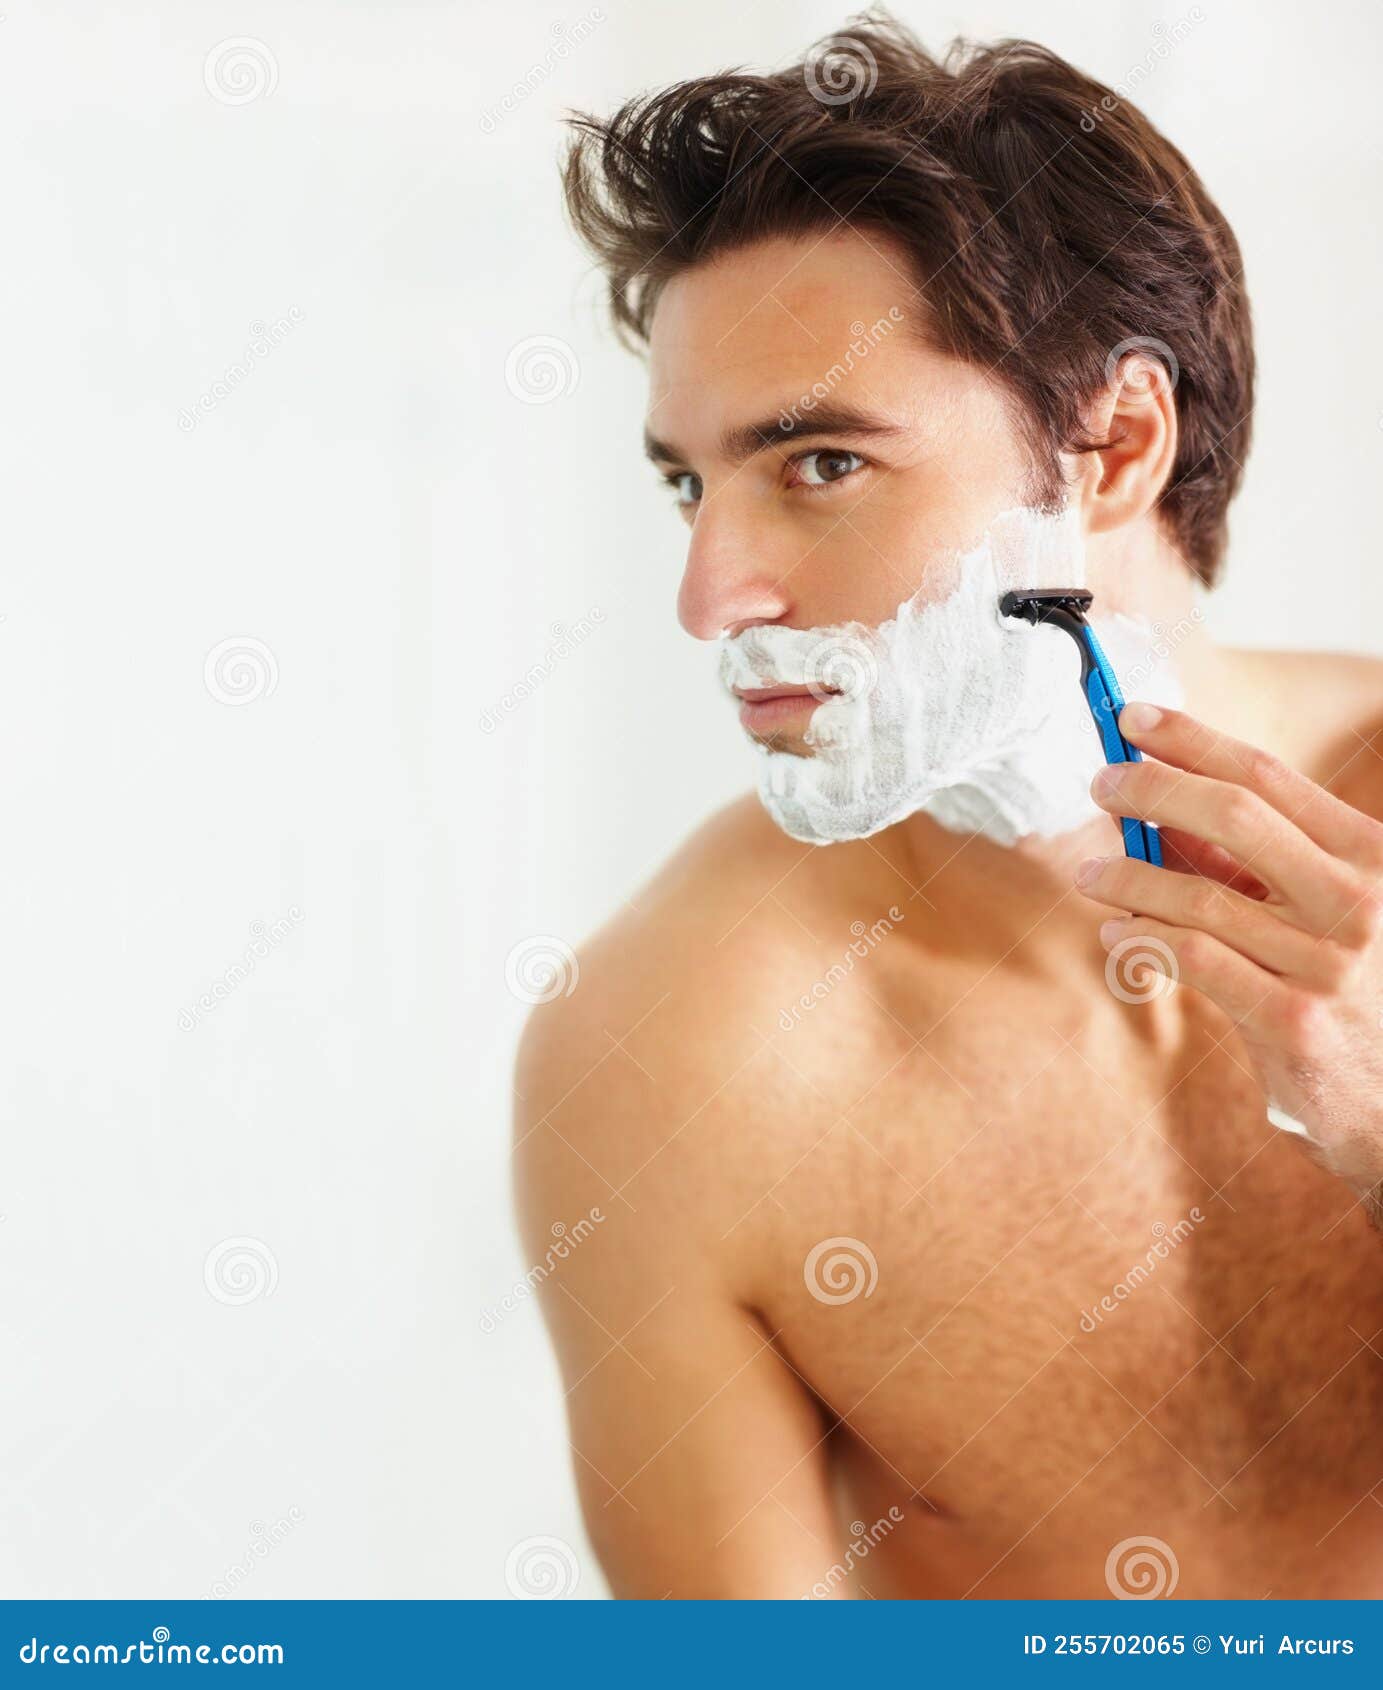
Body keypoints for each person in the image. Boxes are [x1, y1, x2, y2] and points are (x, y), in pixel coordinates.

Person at [514, 17, 1383, 1599]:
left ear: (1112, 446)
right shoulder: (669, 1052)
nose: (711, 598)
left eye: (822, 463)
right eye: (689, 484)